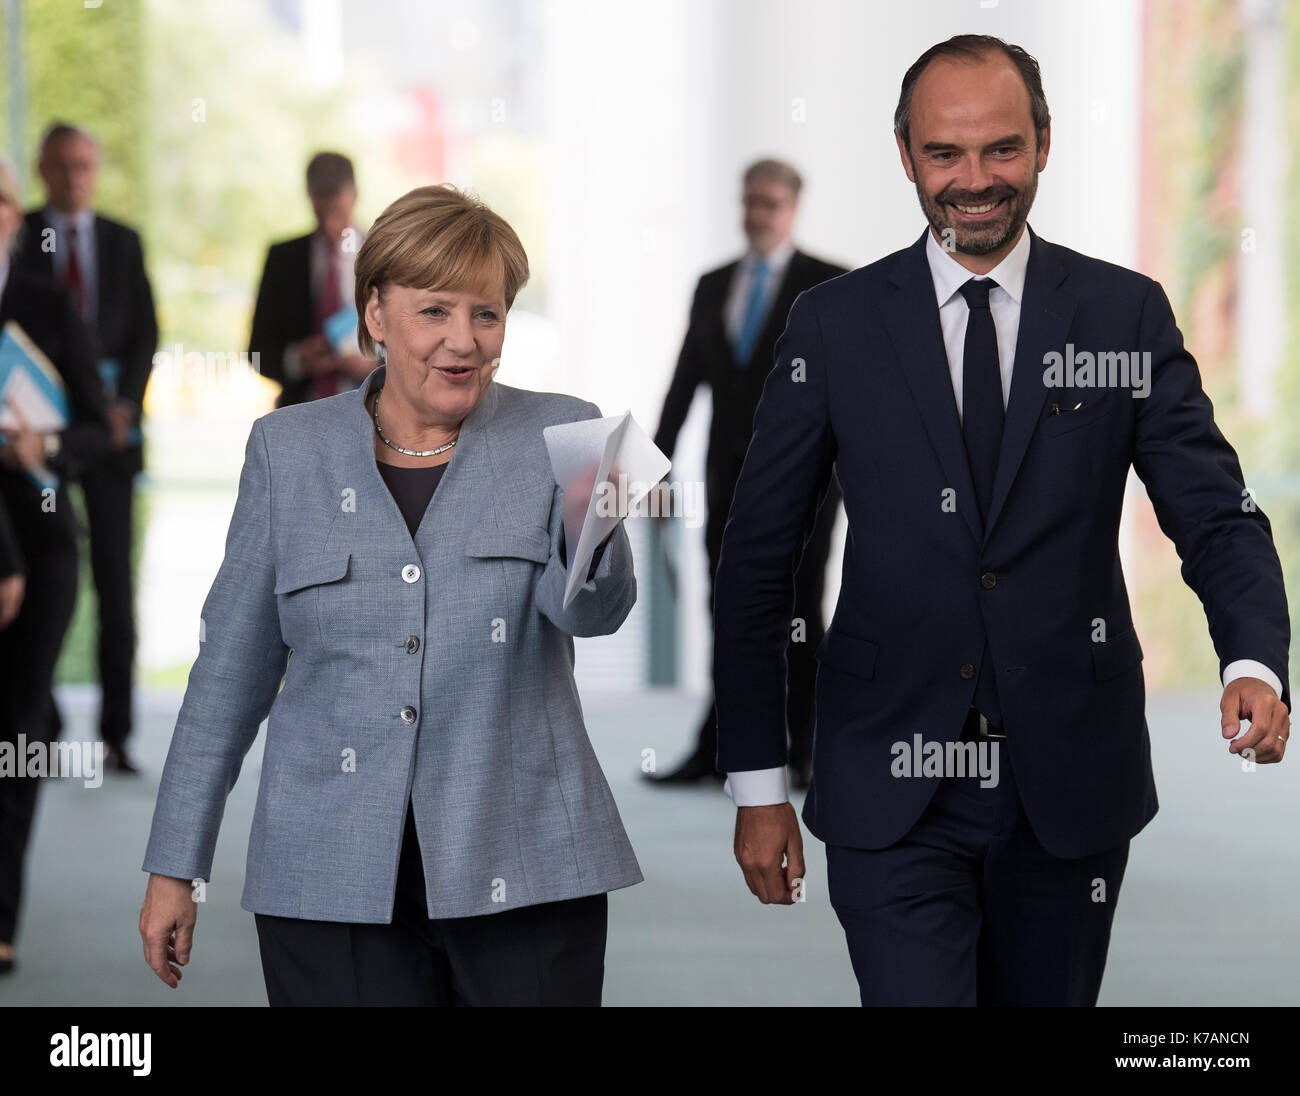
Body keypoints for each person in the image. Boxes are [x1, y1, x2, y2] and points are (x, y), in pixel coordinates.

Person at [713, 35, 1290, 1006]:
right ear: (904, 153)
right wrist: (757, 779)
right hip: (889, 777)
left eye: (1001, 150)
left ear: (1044, 144)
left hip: (1067, 774)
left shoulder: (1122, 317)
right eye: (944, 154)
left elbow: (1214, 513)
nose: (973, 181)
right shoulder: (832, 327)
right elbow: (759, 560)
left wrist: (1252, 657)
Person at [139, 183, 642, 1006]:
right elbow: (227, 677)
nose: (464, 342)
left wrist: (597, 534)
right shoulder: (287, 452)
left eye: (487, 314)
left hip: (525, 863)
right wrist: (174, 865)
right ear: (374, 313)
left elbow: (594, 612)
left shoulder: (566, 434)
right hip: (327, 877)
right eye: (434, 311)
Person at [648, 159, 846, 788]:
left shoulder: (829, 286)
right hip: (728, 478)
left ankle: (806, 749)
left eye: (770, 203)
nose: (756, 214)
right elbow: (685, 380)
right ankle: (719, 746)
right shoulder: (712, 284)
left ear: (793, 207)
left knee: (801, 610)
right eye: (749, 201)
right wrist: (656, 461)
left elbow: (854, 391)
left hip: (810, 480)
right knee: (725, 605)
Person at [14, 121, 159, 774]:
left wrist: (122, 408)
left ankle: (117, 734)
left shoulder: (123, 242)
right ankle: (37, 724)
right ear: (42, 169)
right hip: (34, 443)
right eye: (62, 165)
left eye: (84, 165)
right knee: (40, 571)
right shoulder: (20, 237)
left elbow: (145, 336)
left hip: (113, 440)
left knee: (114, 586)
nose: (75, 177)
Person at [0, 156, 111, 975]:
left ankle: (0, 917)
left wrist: (51, 448)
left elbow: (100, 427)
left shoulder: (44, 302)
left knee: (17, 730)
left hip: (40, 540)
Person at [249, 151, 373, 407]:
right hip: (300, 410)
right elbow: (257, 353)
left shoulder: (384, 255)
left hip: (372, 412)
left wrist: (376, 366)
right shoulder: (283, 259)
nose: (329, 223)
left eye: (337, 210)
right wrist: (297, 360)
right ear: (309, 197)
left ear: (355, 196)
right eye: (321, 209)